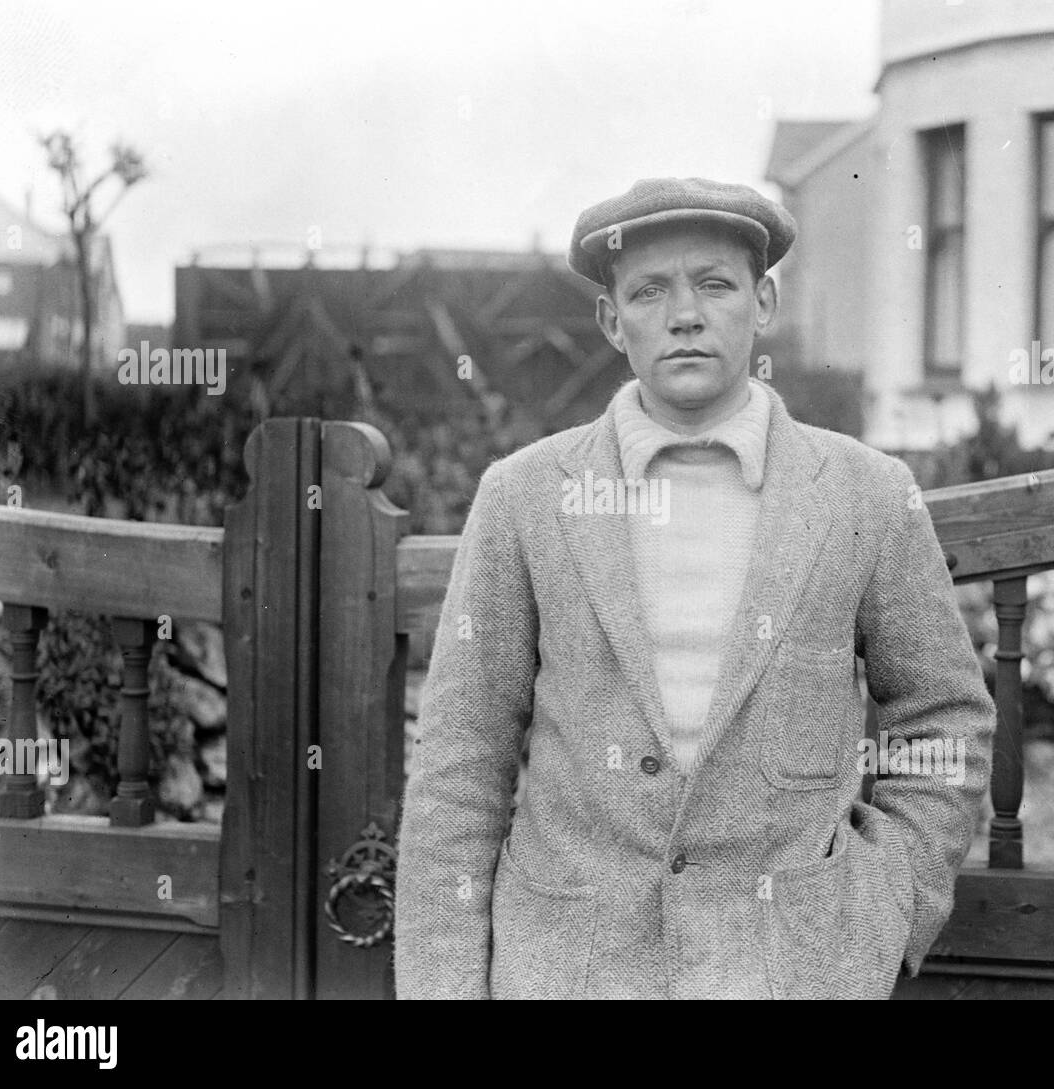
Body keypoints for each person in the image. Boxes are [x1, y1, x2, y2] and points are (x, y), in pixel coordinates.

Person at [392, 177, 995, 999]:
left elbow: (942, 717)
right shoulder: (524, 495)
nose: (685, 315)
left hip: (794, 973)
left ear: (763, 302)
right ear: (612, 320)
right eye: (649, 291)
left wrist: (889, 904)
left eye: (714, 284)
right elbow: (461, 754)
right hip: (569, 973)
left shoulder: (869, 495)